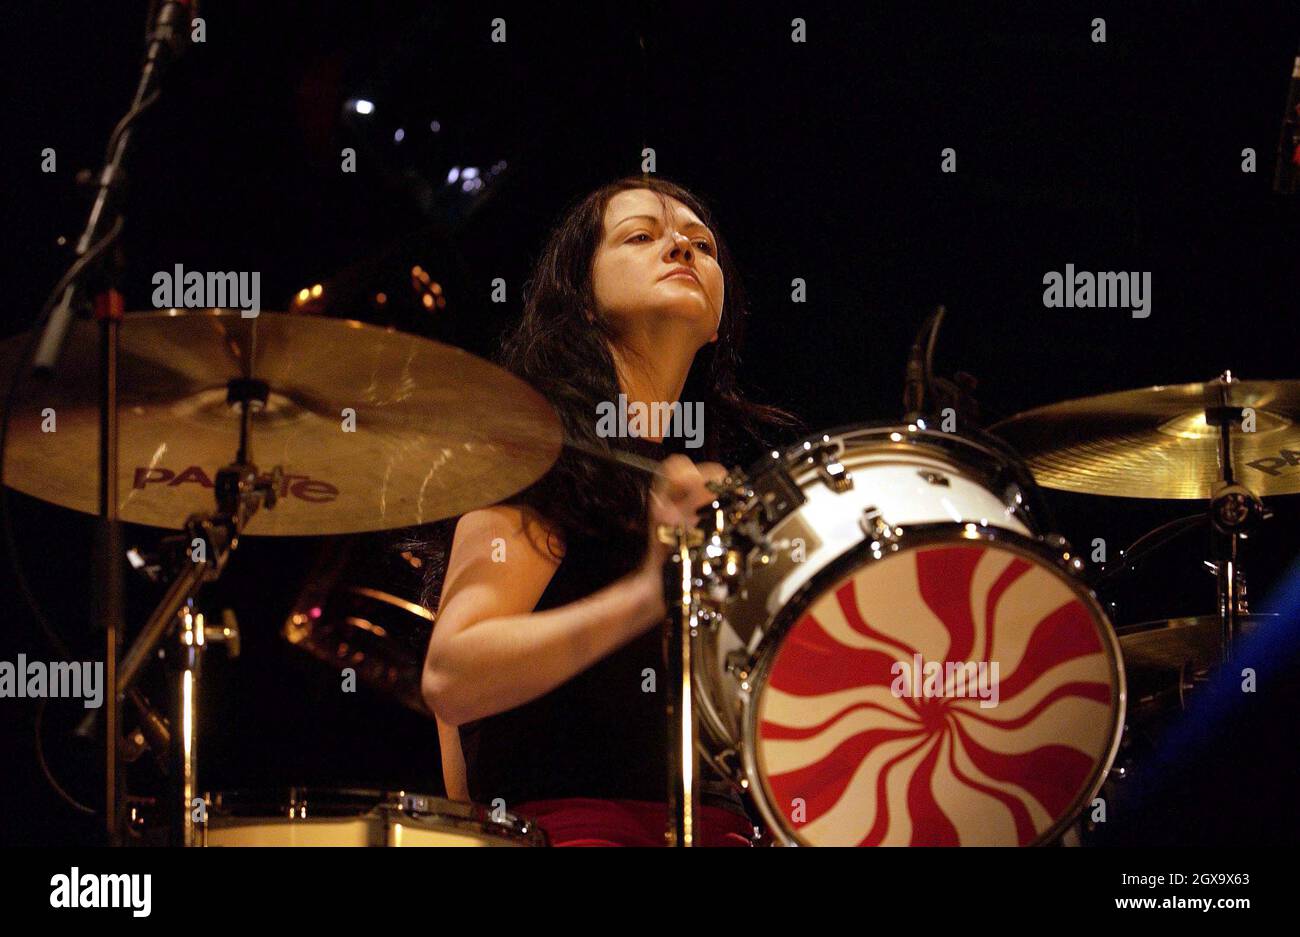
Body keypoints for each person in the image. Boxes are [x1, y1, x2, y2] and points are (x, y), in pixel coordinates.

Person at [418, 176, 798, 846]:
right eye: (642, 236)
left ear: (716, 322)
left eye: (700, 243)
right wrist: (650, 590)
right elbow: (453, 677)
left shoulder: (717, 492)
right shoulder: (538, 458)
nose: (680, 246)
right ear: (582, 298)